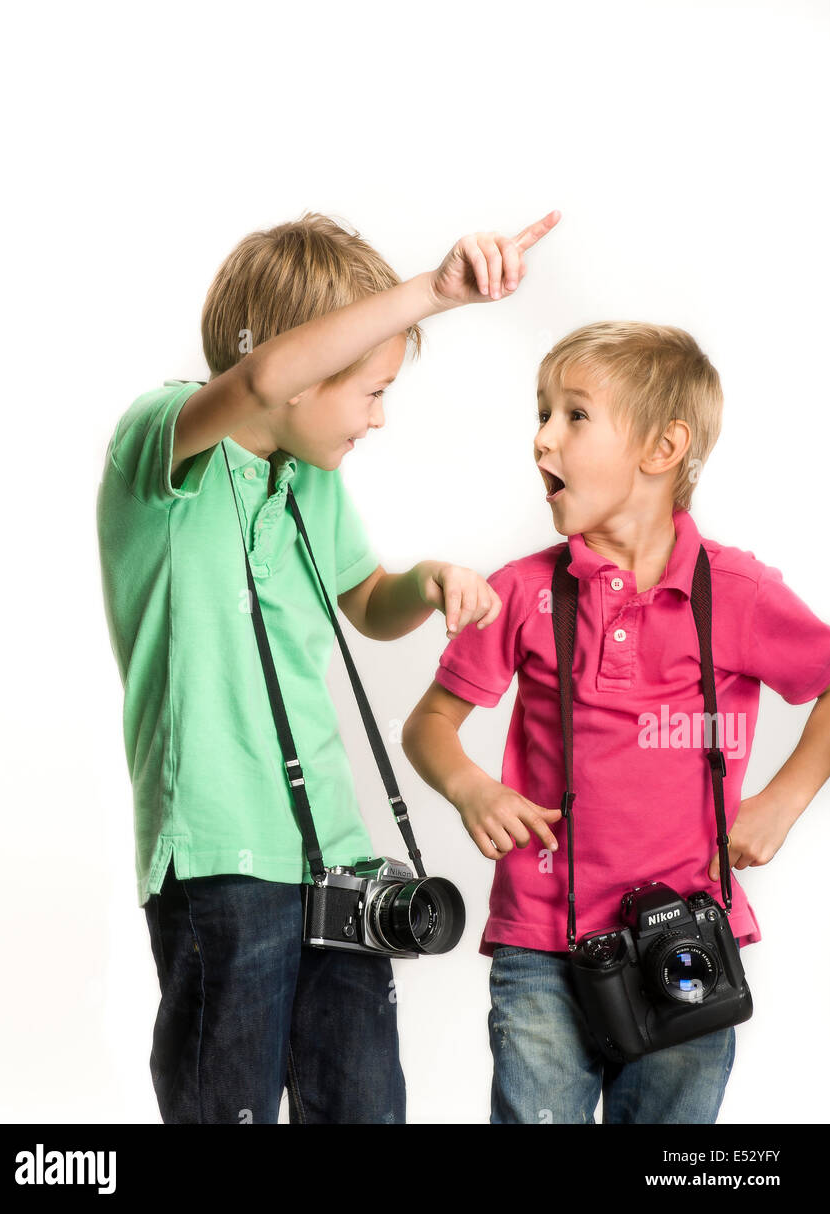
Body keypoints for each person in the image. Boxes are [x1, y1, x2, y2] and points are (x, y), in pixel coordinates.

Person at [96, 207, 561, 1124]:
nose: (380, 418)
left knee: (364, 1105)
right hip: (221, 855)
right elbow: (264, 375)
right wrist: (433, 290)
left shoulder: (311, 477)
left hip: (335, 856)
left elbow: (365, 603)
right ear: (297, 379)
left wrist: (424, 583)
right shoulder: (161, 449)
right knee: (221, 1105)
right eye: (370, 390)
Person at [402, 320, 830, 1124]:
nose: (539, 440)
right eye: (539, 414)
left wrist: (781, 802)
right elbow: (429, 722)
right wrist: (469, 788)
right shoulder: (522, 591)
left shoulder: (735, 591)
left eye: (571, 415)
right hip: (539, 941)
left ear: (662, 449)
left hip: (687, 940)